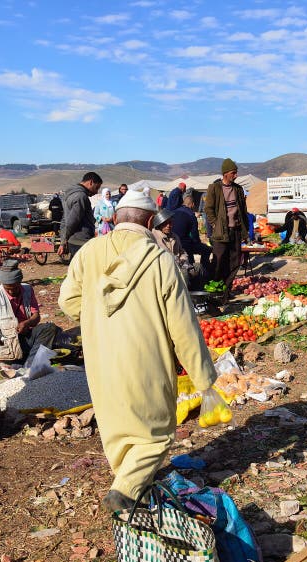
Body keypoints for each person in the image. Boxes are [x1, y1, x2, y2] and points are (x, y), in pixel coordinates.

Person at [58, 190, 217, 513]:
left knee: (118, 432)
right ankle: (125, 492)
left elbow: (67, 301)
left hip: (101, 359)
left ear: (116, 219)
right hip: (145, 359)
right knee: (154, 435)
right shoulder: (158, 259)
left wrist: (97, 321)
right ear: (149, 221)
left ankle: (135, 496)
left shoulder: (88, 253)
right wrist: (204, 378)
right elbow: (182, 325)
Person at [0, 259, 62, 362]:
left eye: (14, 287)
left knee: (49, 328)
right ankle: (21, 359)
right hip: (7, 343)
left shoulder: (27, 289)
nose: (11, 291)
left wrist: (26, 323)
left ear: (20, 282)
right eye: (7, 288)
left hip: (26, 336)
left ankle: (31, 364)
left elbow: (36, 316)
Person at [205, 158, 248, 300]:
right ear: (225, 174)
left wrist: (245, 231)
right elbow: (208, 209)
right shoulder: (215, 188)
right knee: (219, 261)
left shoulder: (238, 189)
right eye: (233, 173)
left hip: (235, 231)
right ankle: (214, 290)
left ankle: (226, 289)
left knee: (235, 262)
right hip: (221, 232)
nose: (235, 176)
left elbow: (243, 210)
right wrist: (215, 224)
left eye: (236, 173)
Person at [60, 171, 102, 257]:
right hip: (81, 242)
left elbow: (64, 220)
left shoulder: (69, 195)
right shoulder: (81, 196)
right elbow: (72, 222)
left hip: (73, 241)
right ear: (90, 182)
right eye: (96, 188)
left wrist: (63, 240)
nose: (96, 192)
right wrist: (63, 241)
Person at [171, 193, 212, 272]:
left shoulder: (174, 212)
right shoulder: (191, 215)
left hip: (172, 241)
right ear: (192, 204)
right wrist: (199, 244)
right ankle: (204, 271)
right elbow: (195, 236)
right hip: (184, 244)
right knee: (207, 249)